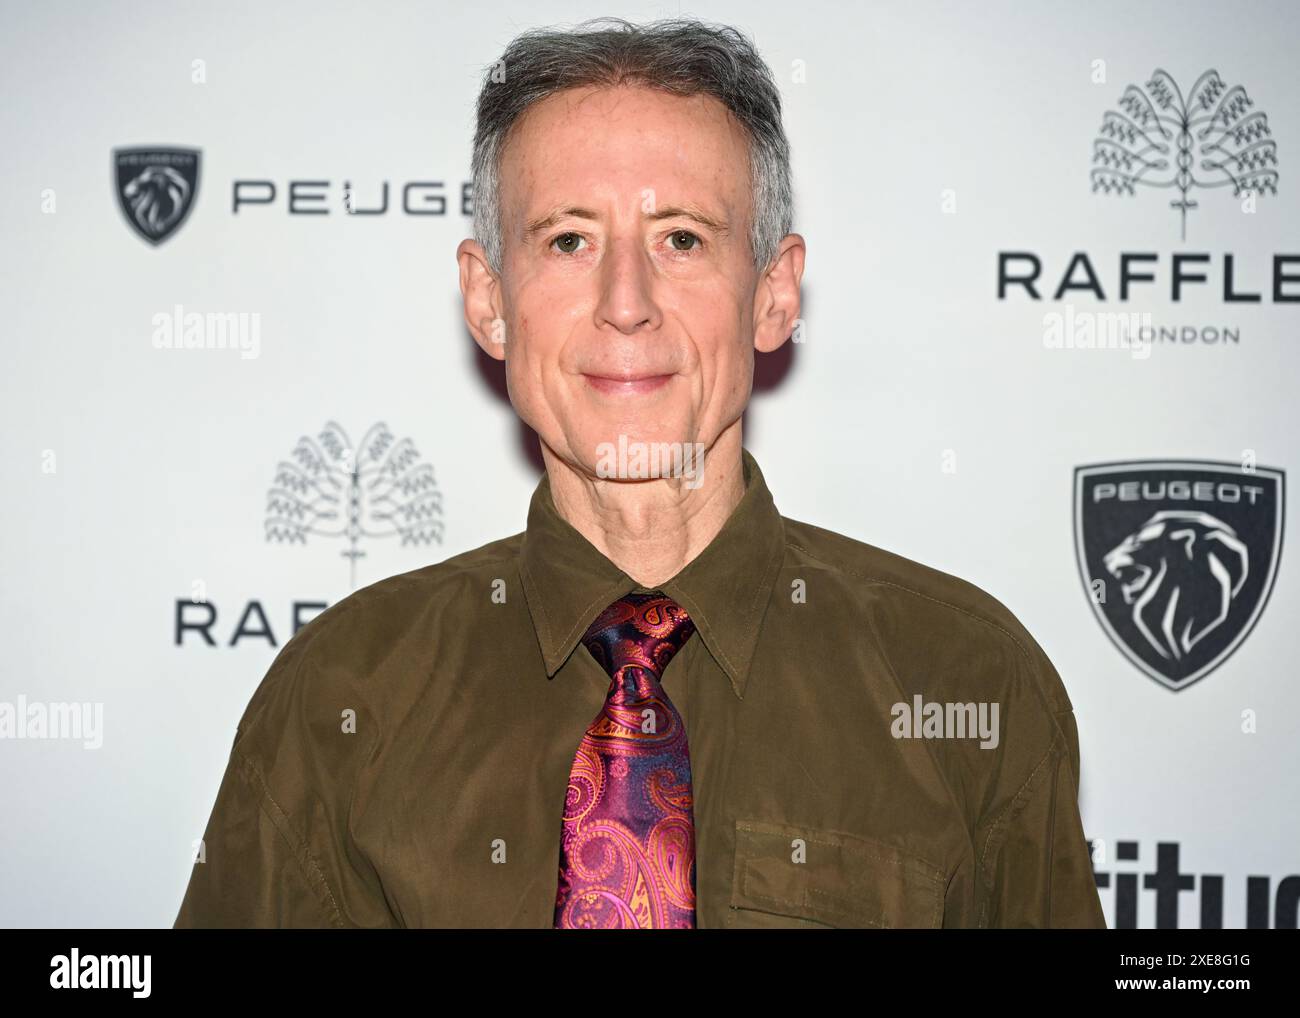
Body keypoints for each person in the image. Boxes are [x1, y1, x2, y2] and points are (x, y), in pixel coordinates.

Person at [173, 16, 1105, 929]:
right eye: (569, 240)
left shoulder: (967, 685)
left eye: (683, 239)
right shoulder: (343, 699)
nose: (627, 305)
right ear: (490, 304)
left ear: (774, 296)